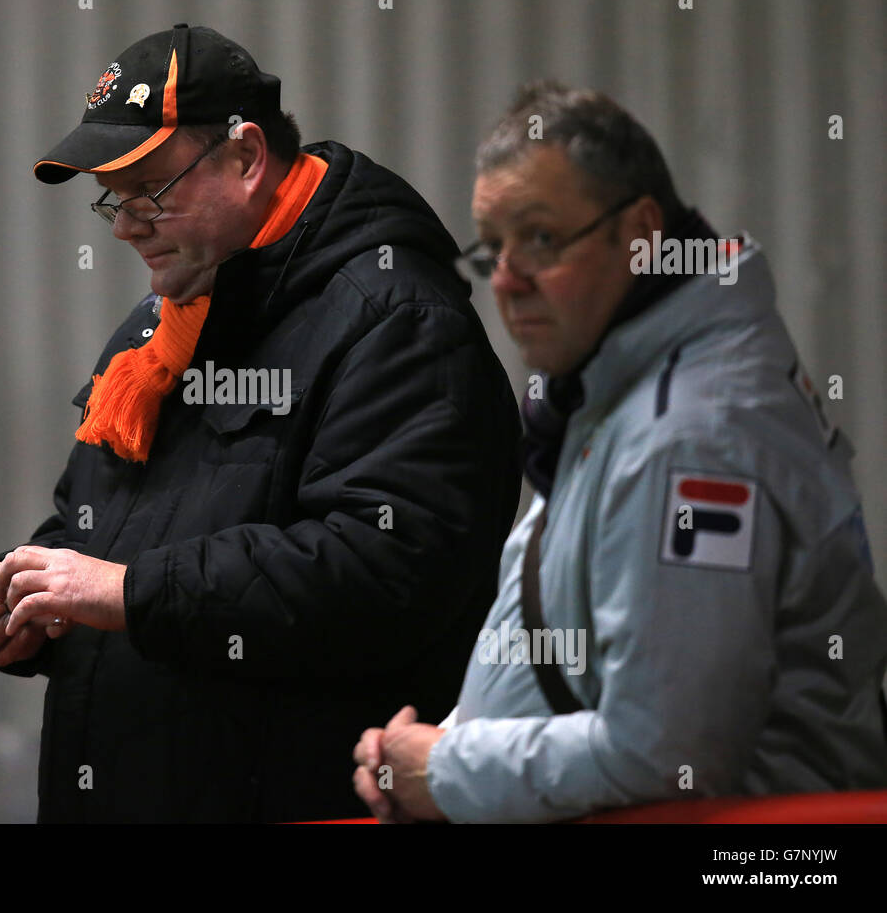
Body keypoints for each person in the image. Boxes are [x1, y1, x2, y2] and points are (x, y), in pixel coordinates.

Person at [0, 24, 523, 822]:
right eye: (112, 196)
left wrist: (131, 592)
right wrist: (33, 599)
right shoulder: (161, 329)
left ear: (247, 157)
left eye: (149, 187)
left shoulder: (395, 319)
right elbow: (95, 530)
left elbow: (387, 569)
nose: (124, 224)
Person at [353, 81, 887, 823]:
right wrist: (438, 745)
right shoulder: (611, 393)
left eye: (540, 239)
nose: (506, 281)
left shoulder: (693, 438)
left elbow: (667, 753)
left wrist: (448, 769)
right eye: (492, 249)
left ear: (640, 233)